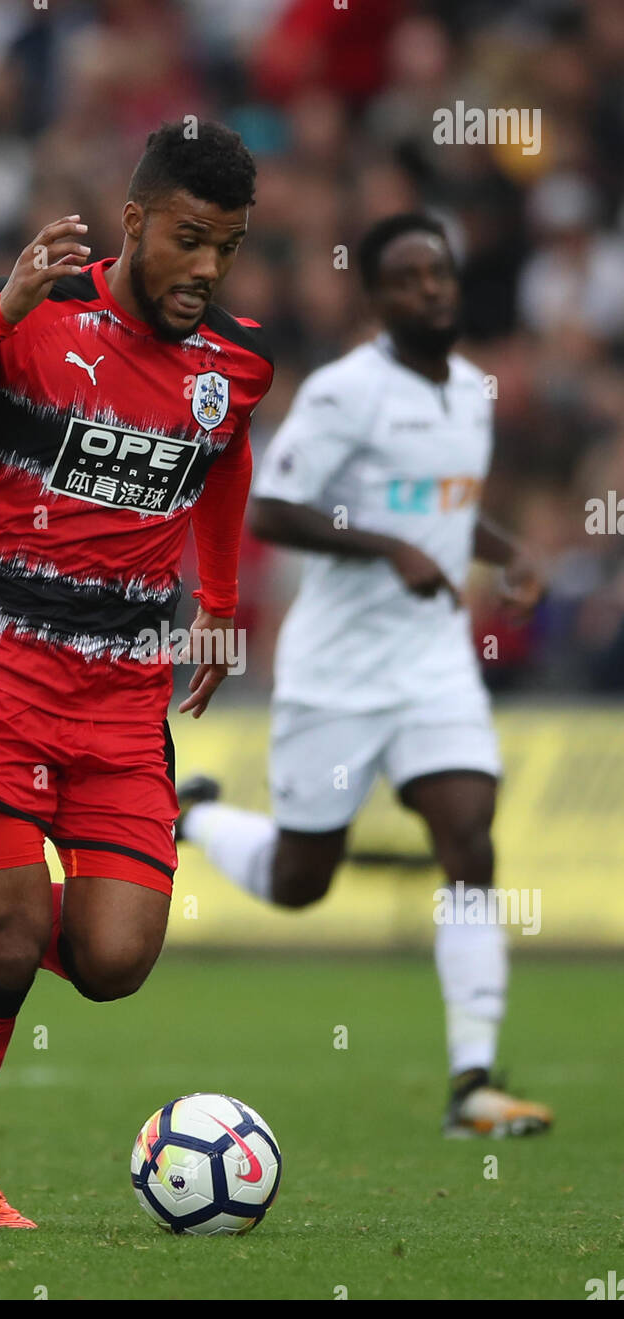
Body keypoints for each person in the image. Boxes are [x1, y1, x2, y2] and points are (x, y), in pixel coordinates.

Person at [0, 120, 273, 1227]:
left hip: (120, 698)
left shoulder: (234, 364)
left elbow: (223, 460)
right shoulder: (37, 313)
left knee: (112, 958)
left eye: (225, 247)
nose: (204, 269)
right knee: (11, 934)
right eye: (187, 239)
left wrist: (222, 600)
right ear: (135, 221)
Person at [178, 212, 552, 1139]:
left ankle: (472, 1084)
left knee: (469, 833)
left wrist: (504, 553)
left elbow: (444, 510)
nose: (430, 289)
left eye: (440, 273)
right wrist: (382, 547)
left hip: (430, 664)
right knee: (305, 880)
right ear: (376, 298)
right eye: (408, 277)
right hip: (335, 673)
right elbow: (268, 510)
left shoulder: (471, 390)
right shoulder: (348, 393)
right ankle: (192, 814)